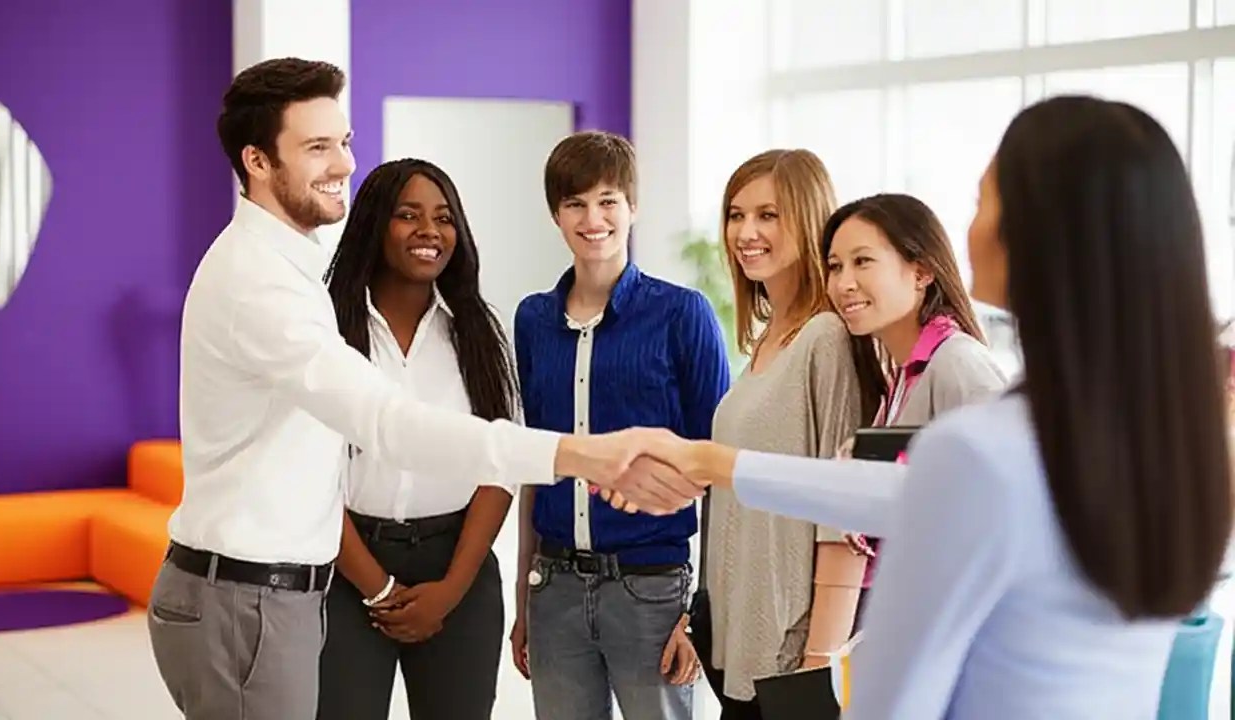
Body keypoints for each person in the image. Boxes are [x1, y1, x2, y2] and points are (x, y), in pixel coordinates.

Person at [616, 96, 1235, 718]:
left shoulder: (978, 443)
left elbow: (892, 698)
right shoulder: (1158, 444)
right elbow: (892, 495)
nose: (968, 227)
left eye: (983, 200)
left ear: (1036, 230)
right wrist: (709, 462)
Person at [148, 57, 679, 720]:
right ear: (257, 161)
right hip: (252, 596)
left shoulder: (293, 272)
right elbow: (385, 423)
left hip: (275, 594)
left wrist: (453, 583)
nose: (343, 163)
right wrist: (580, 455)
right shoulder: (263, 283)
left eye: (343, 142)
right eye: (317, 147)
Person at [511, 130, 731, 720]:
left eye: (608, 201)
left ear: (632, 207)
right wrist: (521, 596)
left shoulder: (683, 315)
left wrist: (700, 609)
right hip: (552, 586)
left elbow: (719, 471)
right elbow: (536, 459)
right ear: (556, 213)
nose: (593, 219)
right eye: (575, 204)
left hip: (651, 591)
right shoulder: (533, 320)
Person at [315, 159, 517, 718]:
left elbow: (499, 466)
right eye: (409, 215)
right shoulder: (325, 330)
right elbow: (307, 474)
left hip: (459, 563)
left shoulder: (477, 331)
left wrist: (453, 587)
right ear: (376, 226)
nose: (430, 230)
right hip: (345, 570)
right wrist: (377, 587)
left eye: (444, 217)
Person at [695, 149, 862, 719]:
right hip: (740, 647)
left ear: (810, 217)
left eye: (769, 214)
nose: (747, 232)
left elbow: (844, 514)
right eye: (736, 215)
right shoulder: (768, 340)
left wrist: (820, 660)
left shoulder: (826, 338)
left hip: (792, 659)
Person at [821, 193, 1007, 602]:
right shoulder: (900, 380)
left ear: (921, 271)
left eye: (862, 261)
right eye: (835, 267)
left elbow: (1006, 509)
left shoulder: (957, 364)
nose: (843, 283)